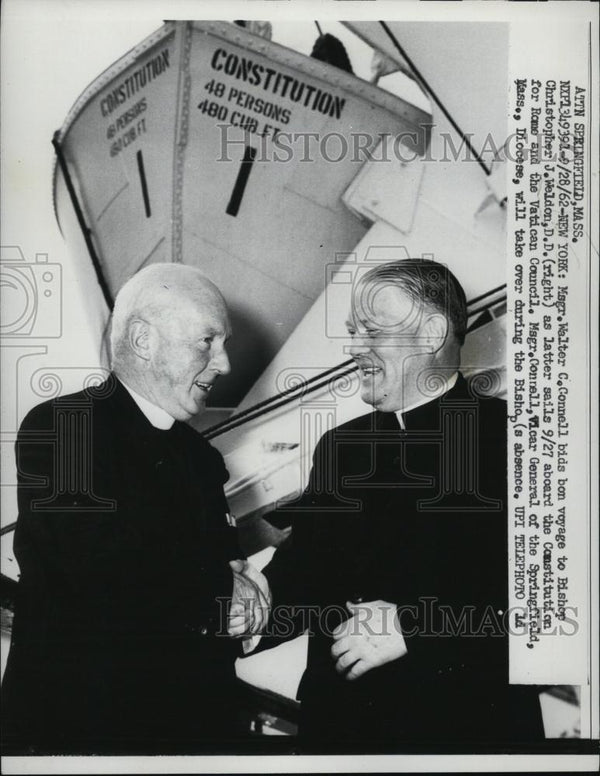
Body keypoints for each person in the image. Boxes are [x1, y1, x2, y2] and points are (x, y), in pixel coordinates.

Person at [256, 259, 544, 749]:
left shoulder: (525, 442)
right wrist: (254, 604)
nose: (354, 348)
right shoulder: (340, 447)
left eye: (372, 331)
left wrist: (417, 627)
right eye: (353, 332)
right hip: (341, 735)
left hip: (466, 737)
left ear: (432, 333)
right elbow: (306, 572)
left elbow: (553, 615)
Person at [2, 263, 269, 754]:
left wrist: (249, 598)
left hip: (191, 732)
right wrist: (225, 587)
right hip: (85, 733)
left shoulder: (200, 458)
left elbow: (221, 571)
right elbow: (99, 565)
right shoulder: (66, 427)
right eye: (207, 341)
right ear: (144, 339)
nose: (225, 364)